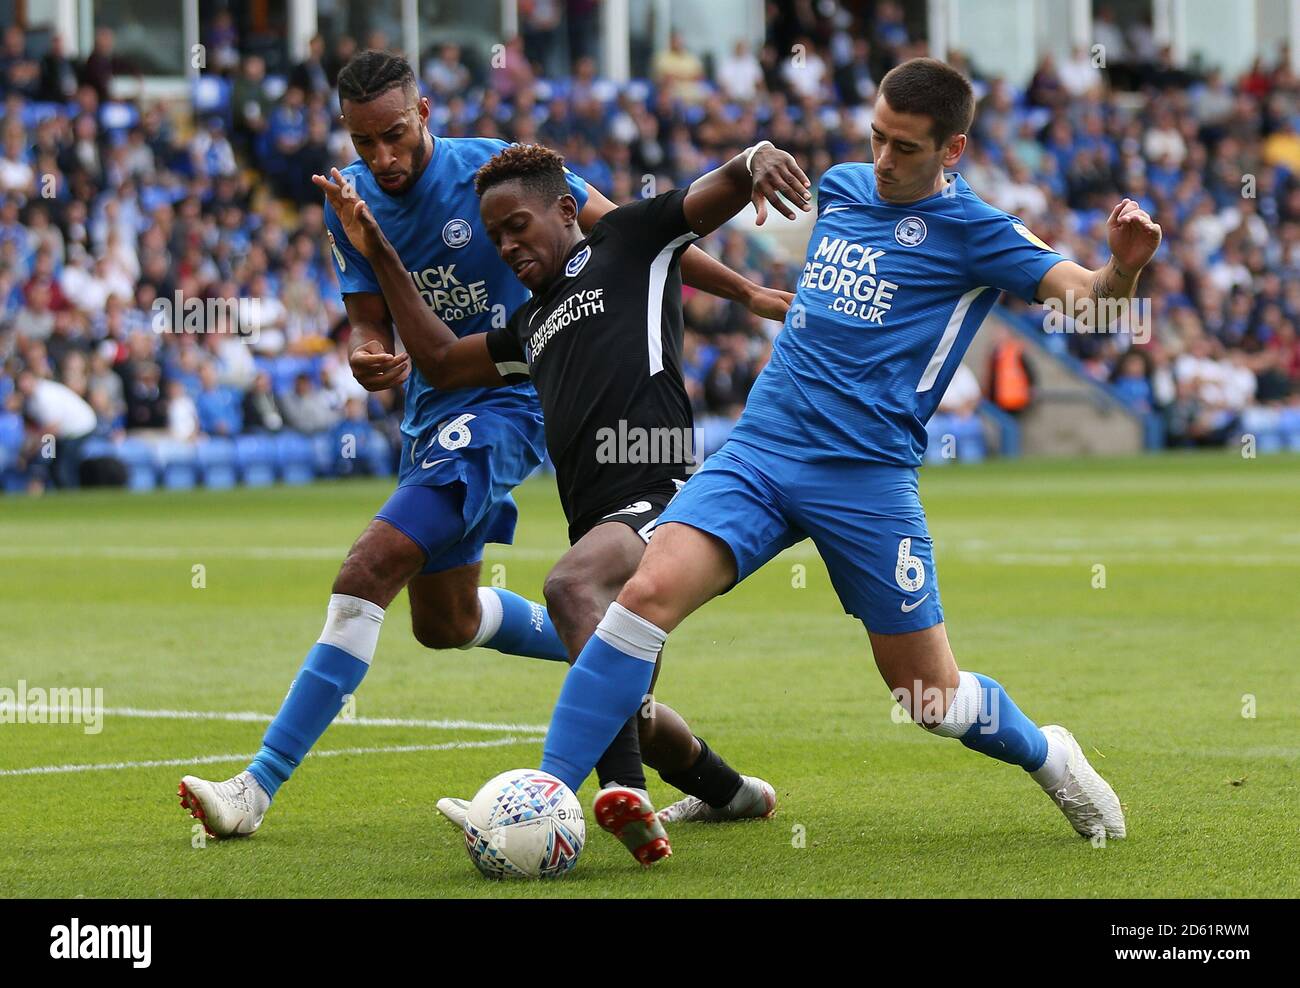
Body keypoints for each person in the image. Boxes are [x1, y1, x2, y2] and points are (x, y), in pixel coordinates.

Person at [530, 57, 1164, 850]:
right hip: (761, 448)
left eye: (904, 147)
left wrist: (1125, 265)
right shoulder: (841, 185)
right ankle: (548, 792)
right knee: (644, 596)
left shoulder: (978, 232)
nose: (884, 160)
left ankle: (1050, 754)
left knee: (927, 698)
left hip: (864, 478)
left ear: (953, 151)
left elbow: (1093, 303)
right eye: (876, 138)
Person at [177, 51, 790, 844]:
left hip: (509, 402)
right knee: (447, 620)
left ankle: (256, 786)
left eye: (395, 136)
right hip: (438, 405)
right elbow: (383, 324)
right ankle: (686, 747)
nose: (382, 158)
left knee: (369, 568)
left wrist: (742, 288)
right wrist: (365, 349)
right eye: (364, 144)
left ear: (424, 111)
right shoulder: (351, 202)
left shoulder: (495, 174)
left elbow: (634, 234)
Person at [313, 133, 810, 863]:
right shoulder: (532, 321)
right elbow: (446, 362)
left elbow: (705, 200)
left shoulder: (629, 244)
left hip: (664, 484)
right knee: (625, 709)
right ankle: (733, 793)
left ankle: (626, 798)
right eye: (494, 237)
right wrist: (381, 254)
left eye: (518, 228)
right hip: (602, 517)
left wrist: (754, 160)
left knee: (569, 584)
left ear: (567, 210)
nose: (507, 247)